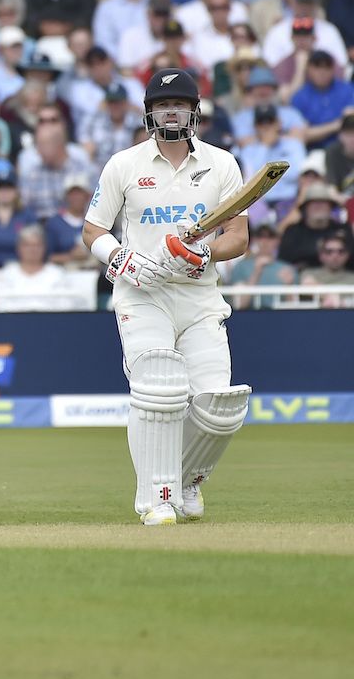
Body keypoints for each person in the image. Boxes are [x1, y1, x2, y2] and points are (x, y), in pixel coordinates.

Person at [81, 67, 252, 527]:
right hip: (144, 293)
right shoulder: (124, 164)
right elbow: (93, 229)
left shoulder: (222, 164)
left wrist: (202, 254)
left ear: (195, 111)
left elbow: (238, 236)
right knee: (158, 389)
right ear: (149, 113)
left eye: (179, 104)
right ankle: (155, 499)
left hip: (199, 297)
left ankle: (186, 478)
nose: (170, 112)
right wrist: (121, 260)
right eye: (162, 105)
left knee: (218, 404)